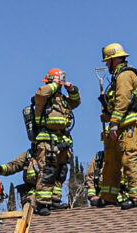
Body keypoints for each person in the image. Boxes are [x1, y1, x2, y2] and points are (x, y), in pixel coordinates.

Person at [98, 42, 137, 208]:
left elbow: (123, 100)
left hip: (129, 124)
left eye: (108, 61)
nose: (106, 64)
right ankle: (109, 195)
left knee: (130, 156)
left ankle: (136, 196)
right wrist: (108, 116)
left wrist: (113, 122)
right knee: (111, 158)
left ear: (114, 59)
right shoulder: (117, 77)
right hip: (119, 124)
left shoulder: (125, 75)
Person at [29, 67, 81, 212]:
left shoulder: (62, 100)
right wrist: (55, 83)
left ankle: (55, 200)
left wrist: (72, 90)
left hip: (62, 140)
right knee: (47, 171)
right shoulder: (42, 98)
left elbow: (75, 103)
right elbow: (41, 92)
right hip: (47, 140)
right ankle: (42, 203)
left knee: (61, 171)